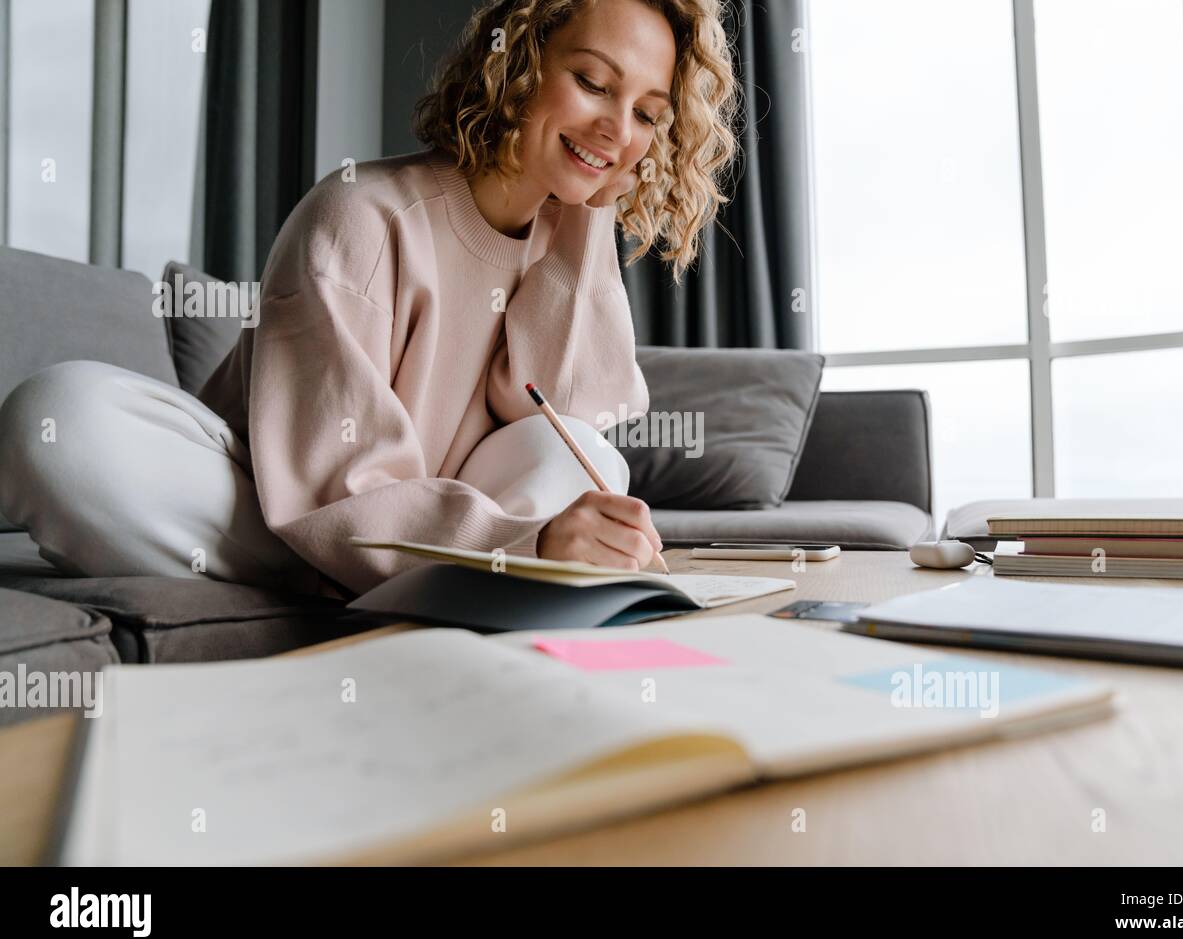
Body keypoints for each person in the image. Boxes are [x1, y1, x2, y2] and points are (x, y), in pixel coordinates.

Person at [0, 0, 738, 598]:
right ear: (520, 61)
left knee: (594, 467)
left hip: (430, 527)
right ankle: (406, 583)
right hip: (268, 505)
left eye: (647, 113)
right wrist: (527, 545)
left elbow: (563, 419)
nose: (618, 129)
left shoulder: (571, 229)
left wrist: (587, 217)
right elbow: (333, 479)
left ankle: (398, 581)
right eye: (593, 82)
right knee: (59, 420)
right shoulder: (363, 215)